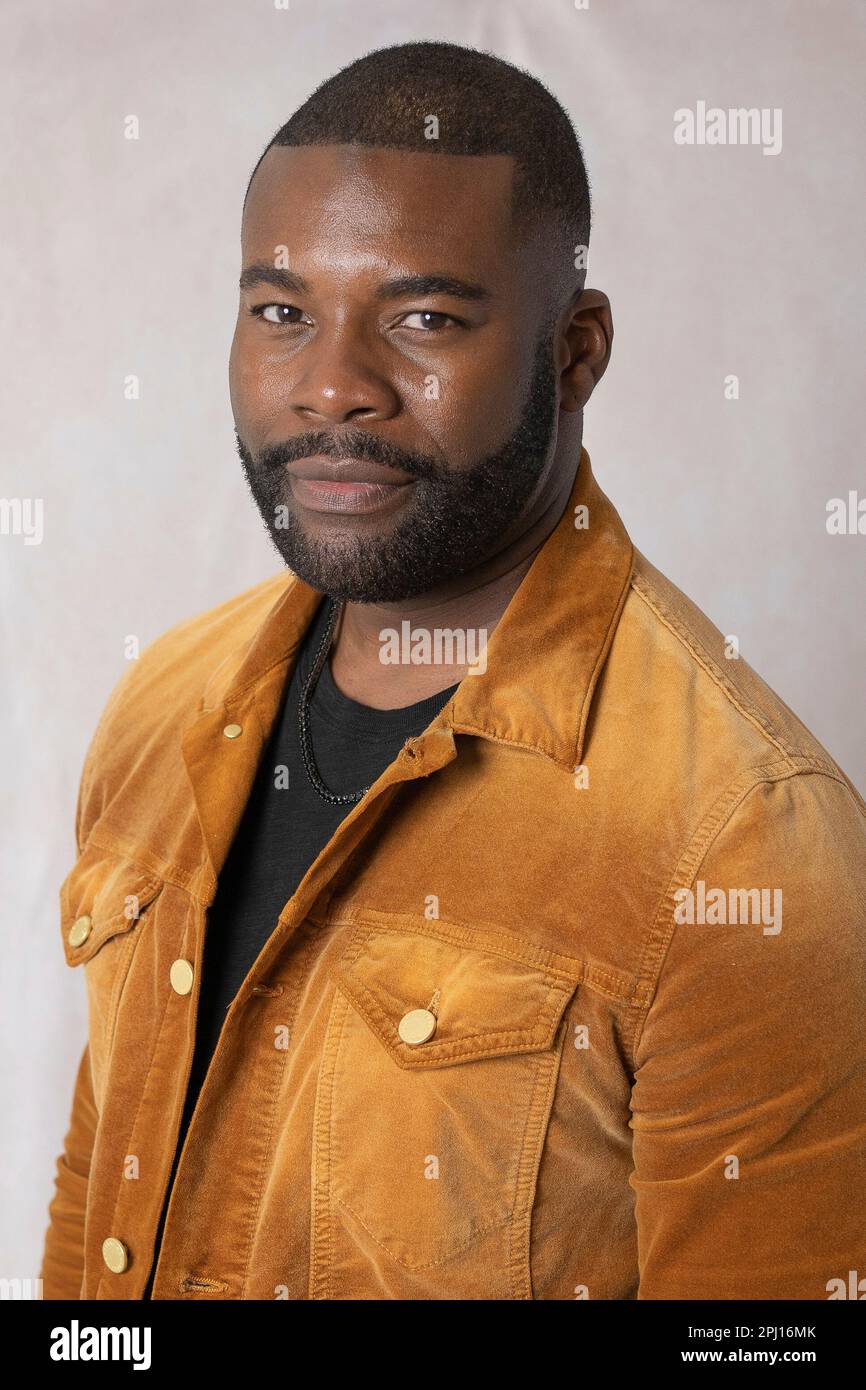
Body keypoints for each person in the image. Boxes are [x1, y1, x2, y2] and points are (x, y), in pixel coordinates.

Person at [41, 40, 866, 1302]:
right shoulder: (166, 701)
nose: (333, 387)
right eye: (281, 312)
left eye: (423, 319)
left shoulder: (743, 844)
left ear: (575, 351)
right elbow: (98, 1189)